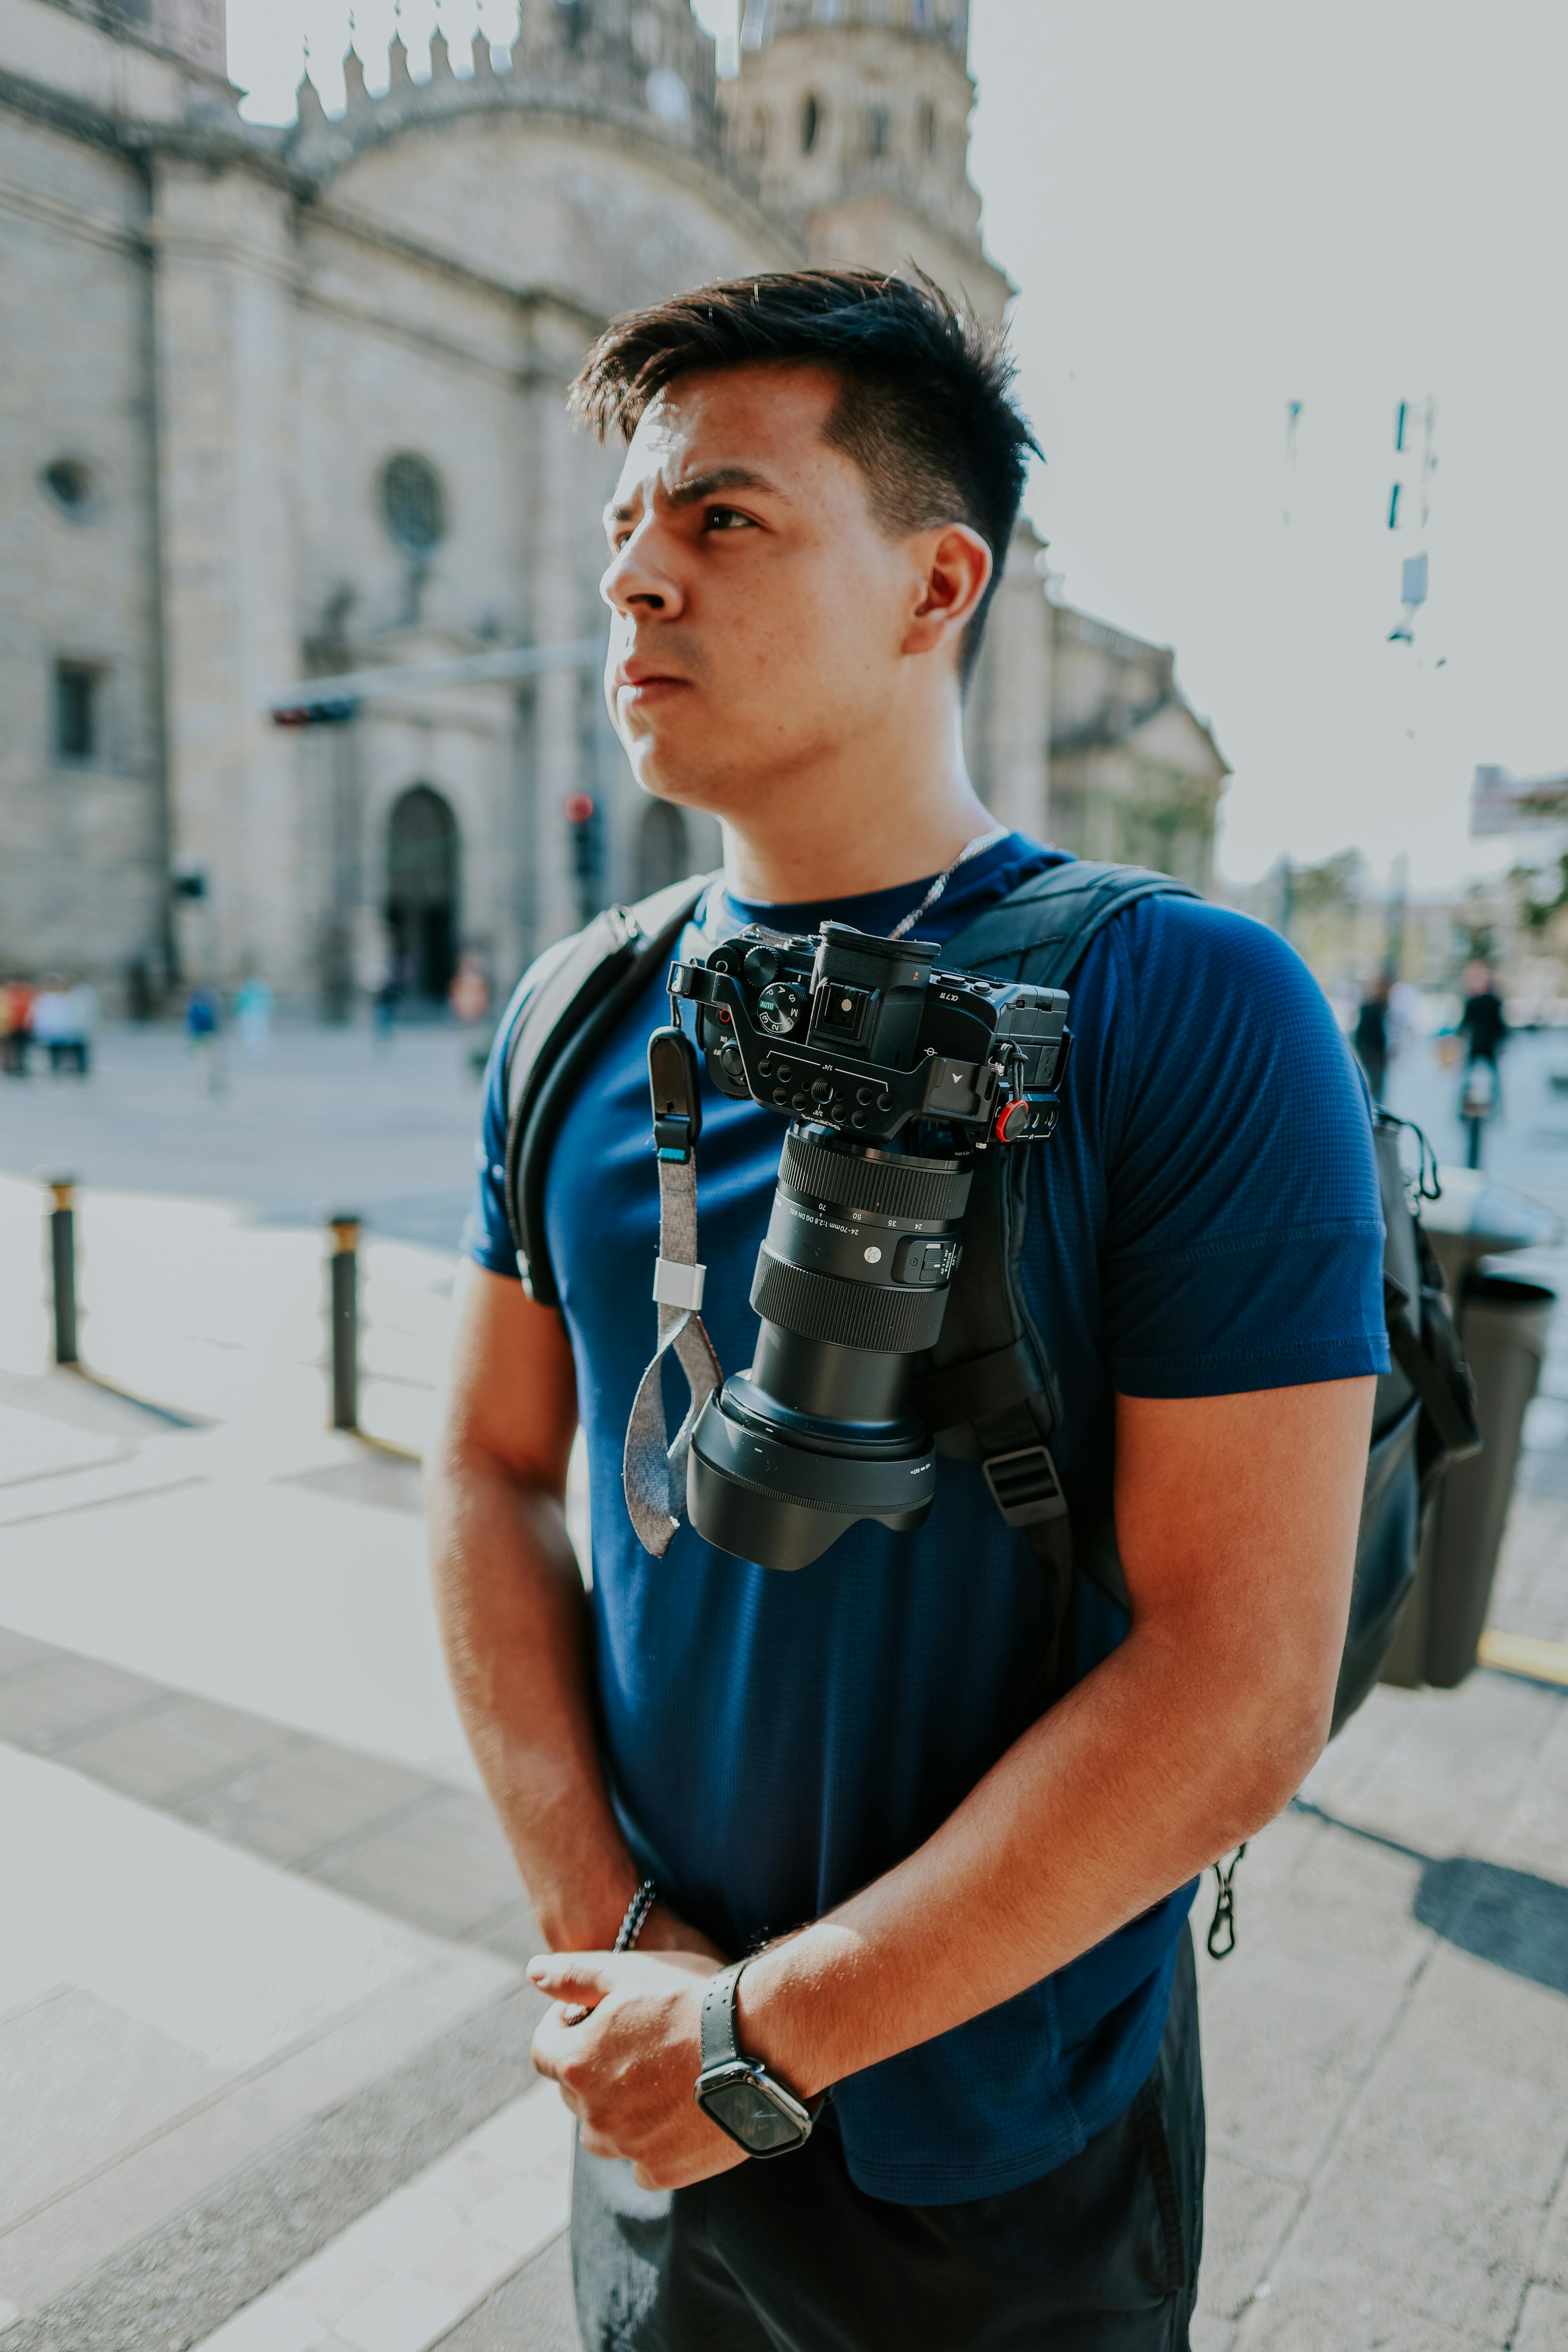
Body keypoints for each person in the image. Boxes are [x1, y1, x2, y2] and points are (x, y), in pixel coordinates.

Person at [429, 270, 1387, 2352]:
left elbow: (1242, 1672)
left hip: (1002, 2150)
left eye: (724, 520)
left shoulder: (1187, 1006)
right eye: (625, 532)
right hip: (660, 2108)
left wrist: (768, 2031)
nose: (640, 583)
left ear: (937, 581)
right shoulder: (575, 1012)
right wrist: (623, 1948)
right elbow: (496, 1469)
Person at [1352, 972, 1394, 1101]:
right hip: (1371, 1056)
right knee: (1373, 1089)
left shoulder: (1387, 1009)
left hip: (1379, 1057)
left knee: (1378, 1090)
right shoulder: (1370, 1009)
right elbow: (1361, 1033)